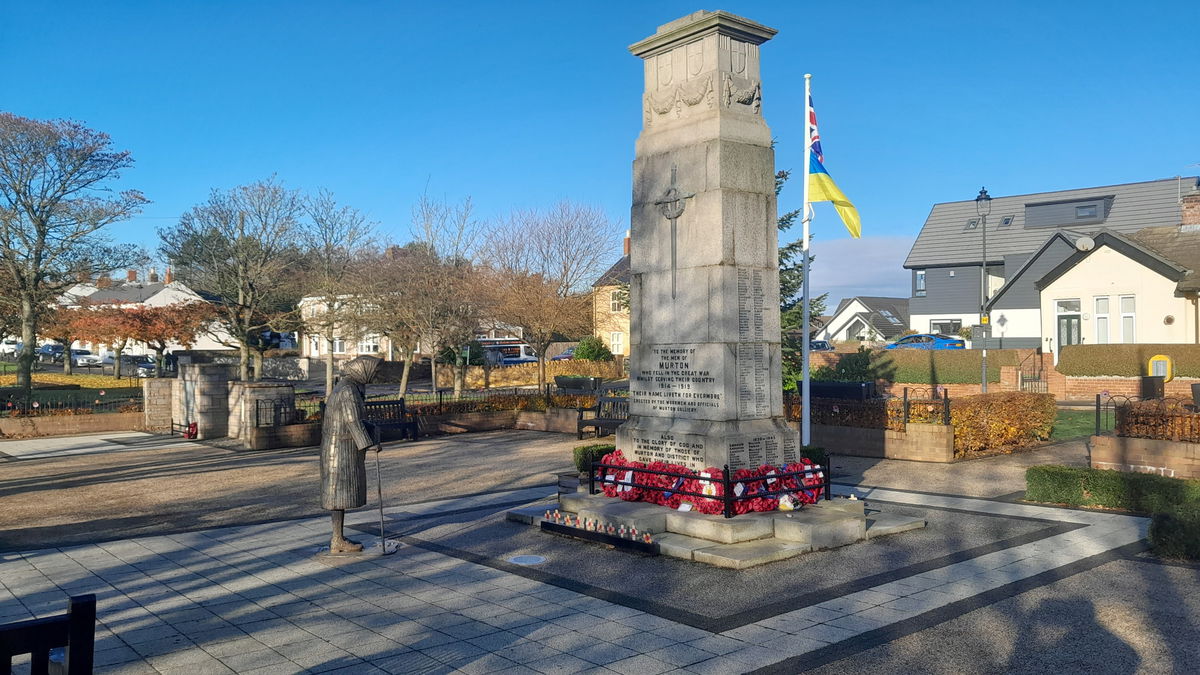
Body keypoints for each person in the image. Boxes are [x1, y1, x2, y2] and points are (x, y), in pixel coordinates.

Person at [320, 355, 381, 553]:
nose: (376, 375)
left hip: (341, 446)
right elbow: (352, 421)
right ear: (363, 370)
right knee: (338, 494)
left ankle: (337, 537)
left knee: (338, 496)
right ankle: (337, 539)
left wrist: (373, 432)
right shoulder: (348, 390)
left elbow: (357, 421)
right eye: (374, 371)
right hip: (340, 449)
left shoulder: (349, 386)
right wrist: (369, 444)